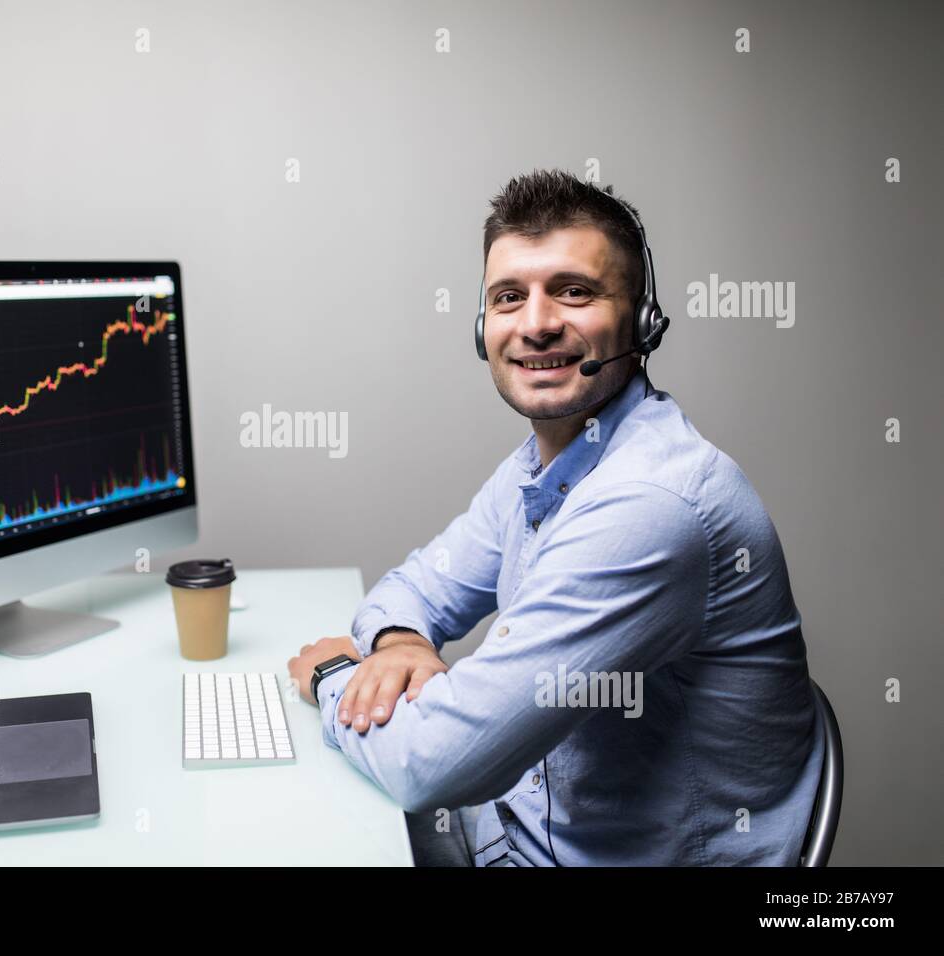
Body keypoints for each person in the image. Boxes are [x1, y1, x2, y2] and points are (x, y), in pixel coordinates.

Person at [287, 168, 823, 866]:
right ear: (485, 330)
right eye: (510, 297)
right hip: (510, 837)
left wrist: (334, 673)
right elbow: (413, 589)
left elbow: (431, 766)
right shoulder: (543, 470)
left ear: (642, 321)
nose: (536, 324)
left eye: (574, 291)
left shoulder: (651, 506)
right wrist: (397, 644)